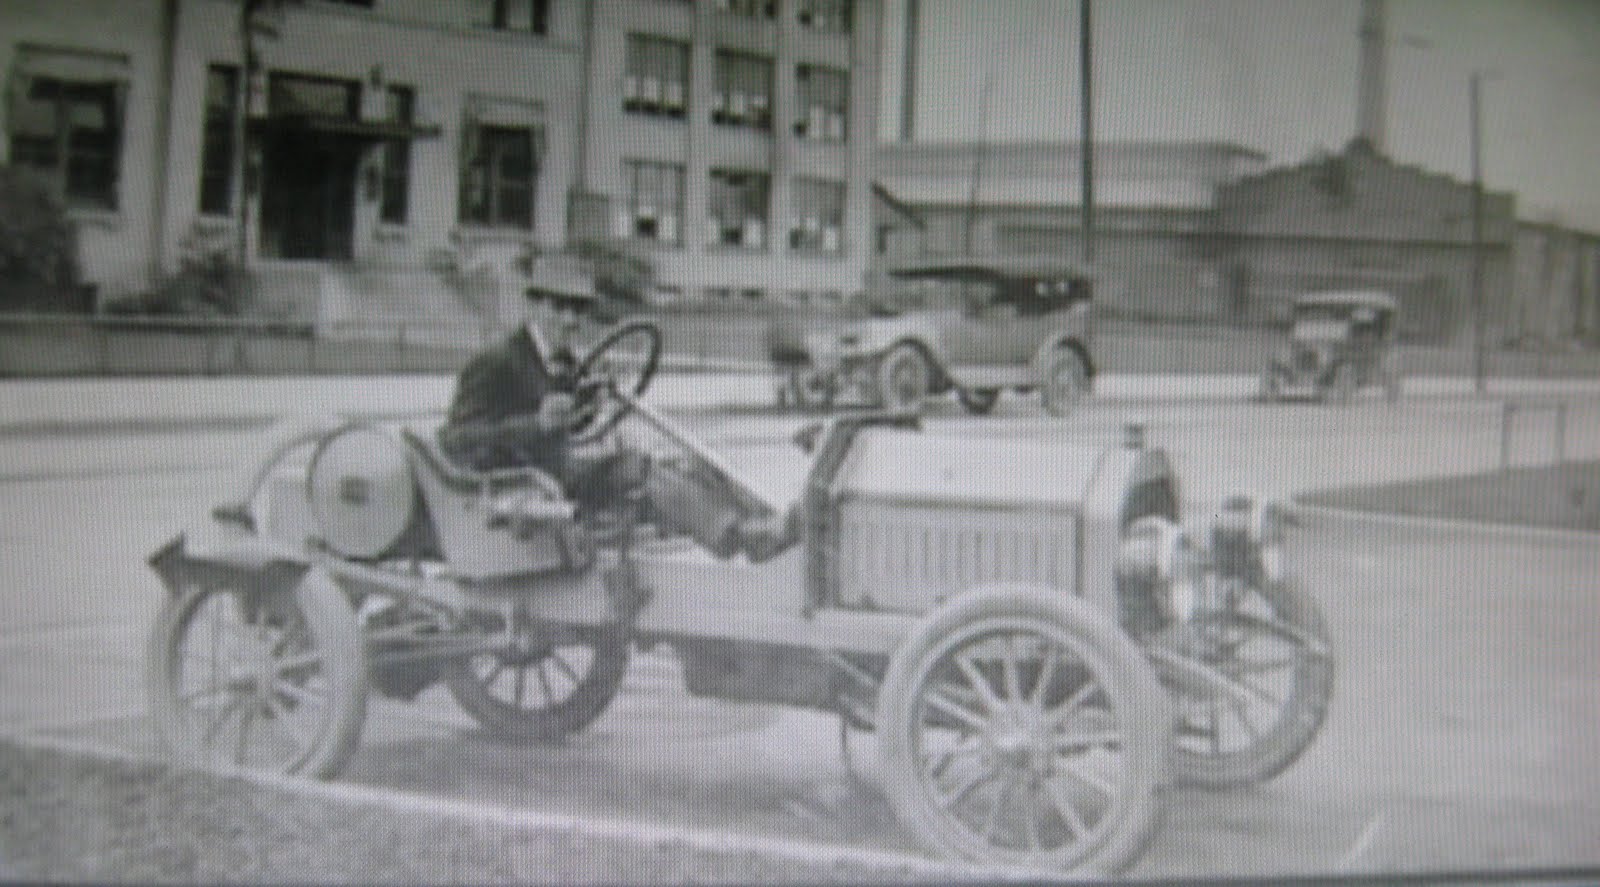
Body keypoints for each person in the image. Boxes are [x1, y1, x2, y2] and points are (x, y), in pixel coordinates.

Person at [439, 264, 792, 560]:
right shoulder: (498, 360)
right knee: (637, 468)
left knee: (688, 461)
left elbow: (575, 422)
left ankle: (768, 525)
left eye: (579, 310)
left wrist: (591, 404)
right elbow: (455, 440)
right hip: (528, 486)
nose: (571, 320)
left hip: (562, 473)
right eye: (560, 308)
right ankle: (740, 537)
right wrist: (535, 424)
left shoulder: (562, 360)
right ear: (534, 306)